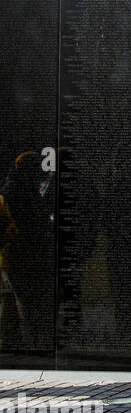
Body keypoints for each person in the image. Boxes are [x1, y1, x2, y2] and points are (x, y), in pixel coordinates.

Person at [0, 150, 54, 350]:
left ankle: (9, 340)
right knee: (26, 299)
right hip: (21, 253)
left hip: (10, 254)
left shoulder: (10, 188)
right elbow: (27, 224)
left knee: (10, 299)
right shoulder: (19, 192)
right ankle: (32, 342)